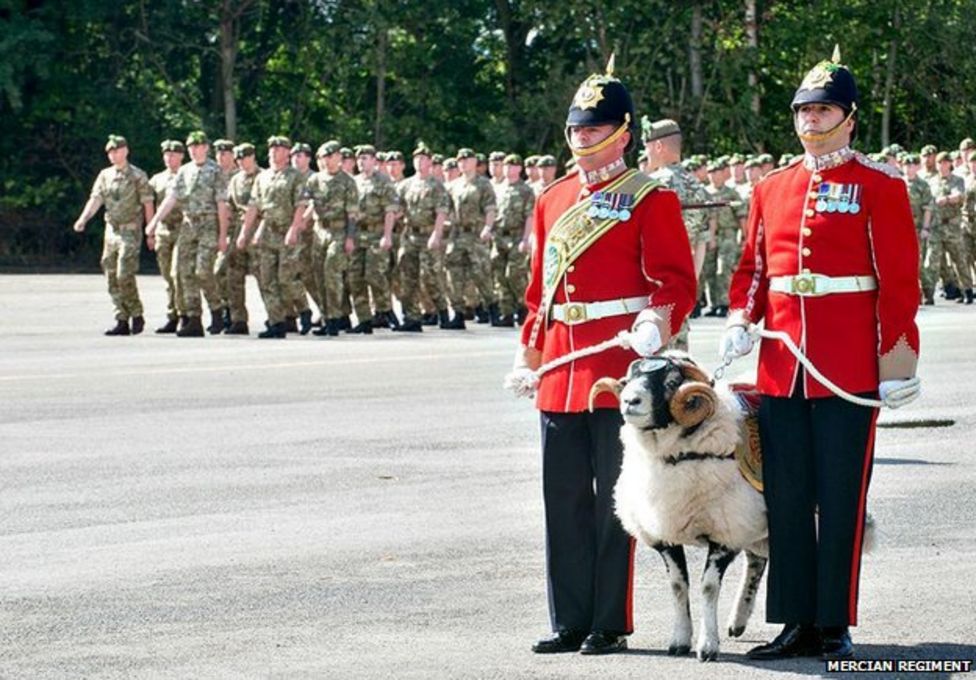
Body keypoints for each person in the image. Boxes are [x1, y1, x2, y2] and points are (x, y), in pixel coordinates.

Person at [721, 48, 921, 661]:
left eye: (823, 108)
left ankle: (834, 620)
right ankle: (794, 621)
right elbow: (754, 268)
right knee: (785, 497)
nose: (811, 120)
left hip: (847, 367)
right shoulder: (772, 187)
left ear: (849, 116)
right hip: (783, 366)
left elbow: (899, 280)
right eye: (804, 110)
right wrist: (740, 317)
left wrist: (897, 360)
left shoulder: (879, 186)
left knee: (839, 498)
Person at [514, 61, 696, 656]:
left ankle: (609, 620)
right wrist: (529, 353)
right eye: (576, 130)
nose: (582, 139)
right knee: (562, 497)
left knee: (612, 501)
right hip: (561, 367)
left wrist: (653, 322)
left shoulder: (649, 196)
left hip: (617, 363)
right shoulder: (553, 199)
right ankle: (568, 617)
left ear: (622, 132)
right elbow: (539, 291)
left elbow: (675, 281)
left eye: (594, 130)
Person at [147, 130, 230, 337]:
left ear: (205, 148)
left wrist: (222, 235)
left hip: (208, 224)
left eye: (198, 146)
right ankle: (194, 319)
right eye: (191, 147)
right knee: (182, 273)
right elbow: (171, 198)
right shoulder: (184, 171)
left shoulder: (215, 171)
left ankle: (217, 308)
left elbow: (222, 204)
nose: (194, 150)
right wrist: (154, 222)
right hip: (188, 225)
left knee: (202, 271)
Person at [73, 134, 154, 335]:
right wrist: (83, 219)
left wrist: (150, 230)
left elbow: (147, 203)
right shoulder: (105, 175)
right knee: (110, 274)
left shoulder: (138, 176)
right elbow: (96, 199)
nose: (113, 155)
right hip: (112, 230)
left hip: (130, 230)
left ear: (126, 151)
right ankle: (121, 318)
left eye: (117, 151)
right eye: (110, 152)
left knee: (124, 272)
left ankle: (136, 312)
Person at [148, 139, 186, 333]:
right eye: (166, 154)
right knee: (167, 277)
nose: (169, 158)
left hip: (183, 230)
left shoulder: (187, 175)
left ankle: (184, 314)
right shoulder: (157, 179)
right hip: (163, 231)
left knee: (177, 274)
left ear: (181, 156)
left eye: (173, 154)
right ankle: (172, 315)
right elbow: (149, 203)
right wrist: (151, 231)